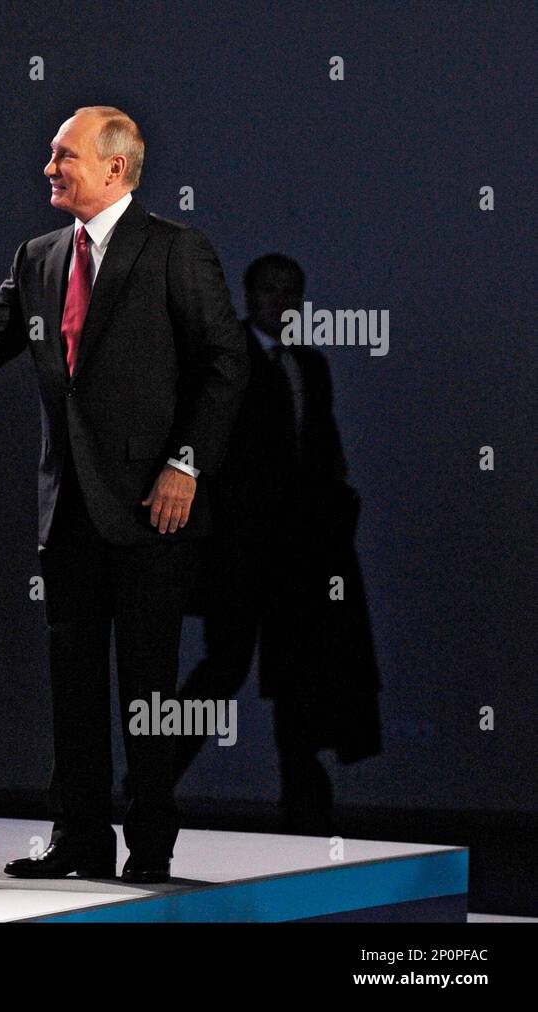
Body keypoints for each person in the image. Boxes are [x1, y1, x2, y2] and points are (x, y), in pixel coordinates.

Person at [0, 107, 247, 883]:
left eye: (64, 156)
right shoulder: (38, 256)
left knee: (150, 687)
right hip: (68, 511)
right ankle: (80, 838)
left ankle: (150, 844)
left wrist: (185, 465)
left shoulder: (176, 251)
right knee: (74, 684)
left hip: (153, 507)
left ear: (115, 168)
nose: (49, 168)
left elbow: (226, 363)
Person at [173, 253, 380, 833]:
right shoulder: (228, 360)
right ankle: (154, 774)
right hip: (241, 548)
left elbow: (319, 449)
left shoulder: (308, 365)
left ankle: (303, 798)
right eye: (271, 291)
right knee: (227, 666)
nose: (282, 301)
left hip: (297, 552)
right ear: (250, 294)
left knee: (292, 674)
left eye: (291, 291)